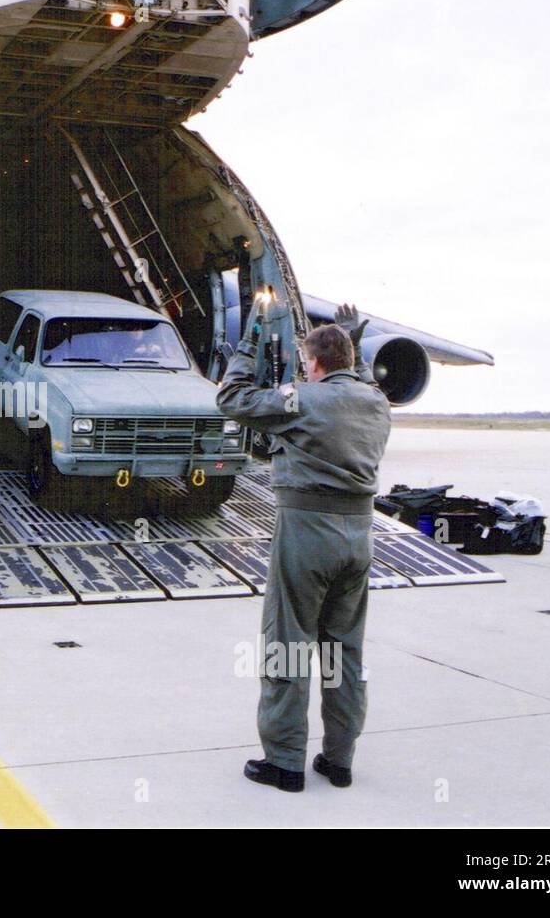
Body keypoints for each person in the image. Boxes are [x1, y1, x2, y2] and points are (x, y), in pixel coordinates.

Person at [216, 303, 390, 792]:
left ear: (313, 365)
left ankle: (285, 763)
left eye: (307, 362)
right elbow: (350, 384)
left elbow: (232, 398)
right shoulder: (376, 403)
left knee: (288, 646)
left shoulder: (302, 400)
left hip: (306, 532)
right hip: (359, 537)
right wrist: (348, 344)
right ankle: (339, 761)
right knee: (344, 652)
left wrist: (247, 345)